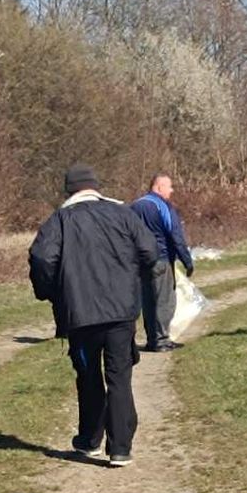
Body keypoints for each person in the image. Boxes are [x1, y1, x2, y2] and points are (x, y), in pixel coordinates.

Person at [29, 165, 159, 467]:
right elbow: (150, 251)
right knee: (119, 376)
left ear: (68, 190)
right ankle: (121, 448)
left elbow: (42, 258)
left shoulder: (60, 220)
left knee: (88, 377)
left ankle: (89, 440)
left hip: (80, 313)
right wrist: (132, 278)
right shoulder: (123, 213)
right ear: (96, 187)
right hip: (121, 312)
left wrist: (50, 291)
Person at [131, 173, 195, 352]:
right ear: (159, 187)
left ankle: (152, 339)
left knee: (148, 301)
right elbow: (175, 234)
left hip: (141, 262)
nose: (172, 190)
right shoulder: (163, 206)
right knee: (165, 300)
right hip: (161, 258)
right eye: (169, 186)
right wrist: (187, 261)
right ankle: (161, 340)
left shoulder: (134, 206)